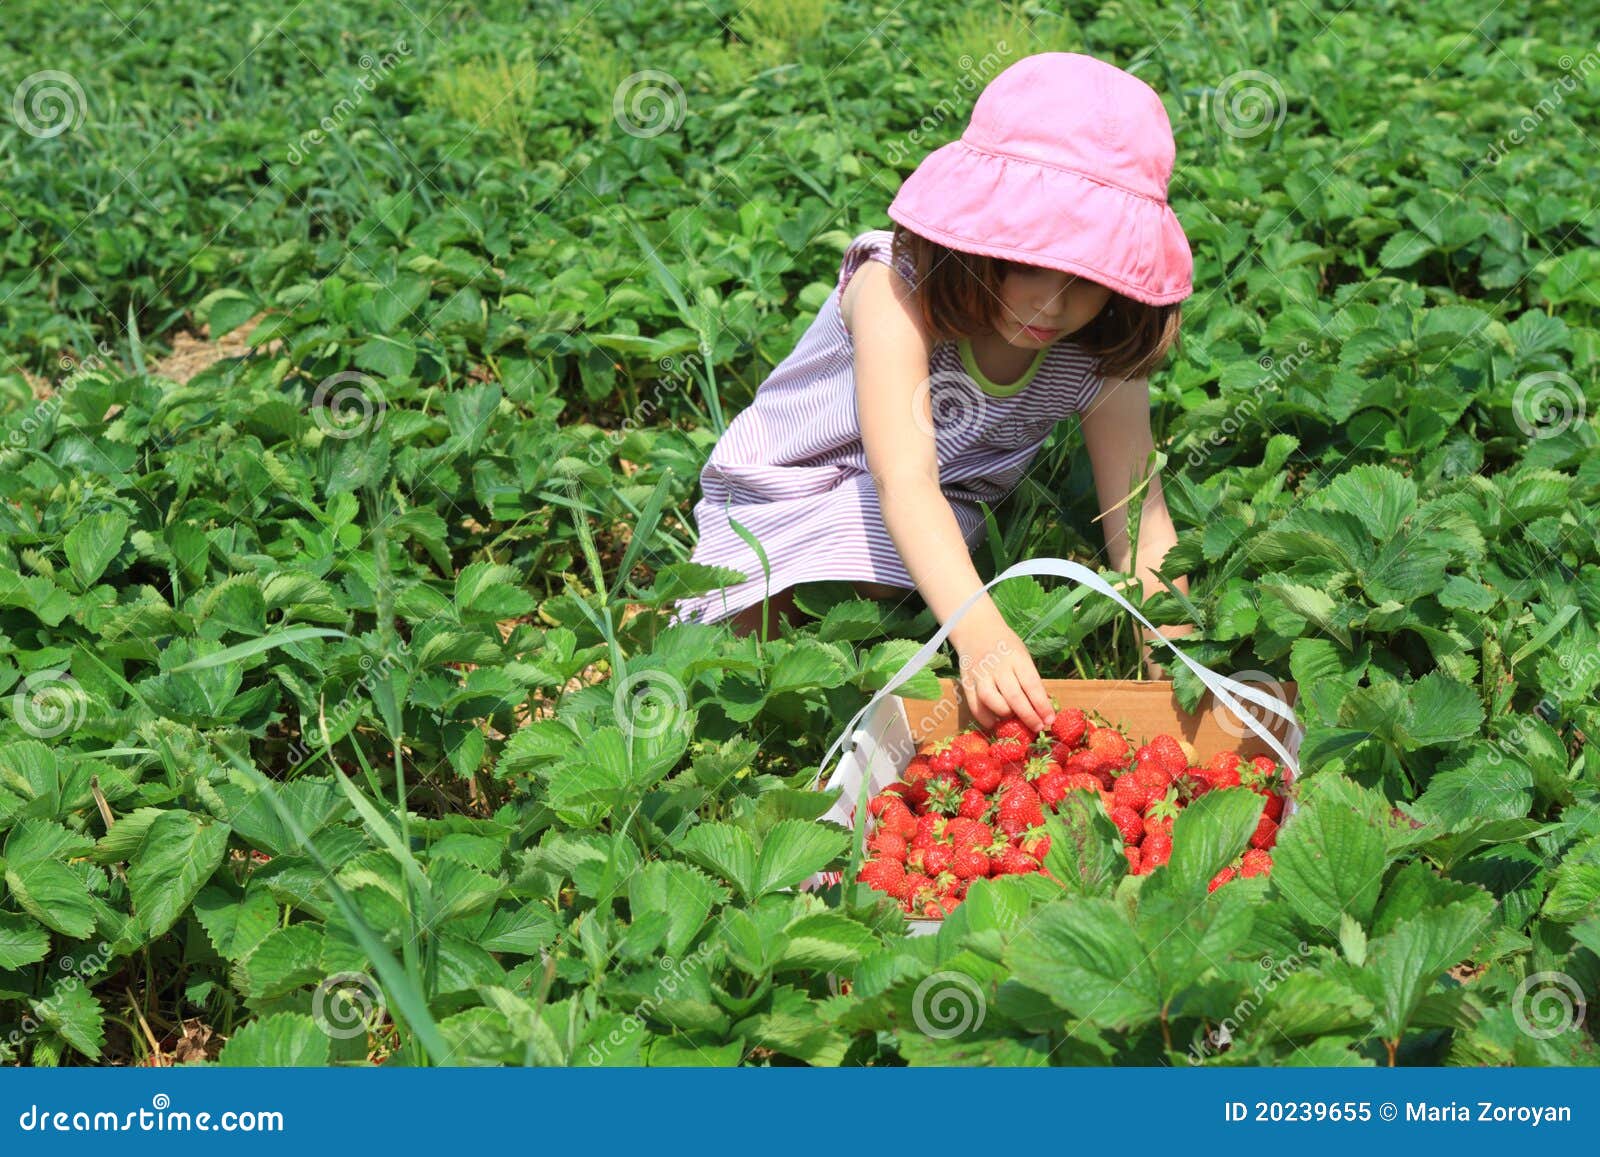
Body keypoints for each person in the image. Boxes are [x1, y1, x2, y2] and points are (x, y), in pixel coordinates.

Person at [671, 52, 1194, 732]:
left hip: (938, 512)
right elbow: (903, 481)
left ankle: (867, 636)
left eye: (1086, 276)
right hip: (795, 495)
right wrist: (982, 634)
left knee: (908, 558)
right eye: (1019, 262)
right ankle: (734, 671)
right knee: (805, 595)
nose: (1048, 301)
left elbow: (1140, 520)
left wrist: (1180, 676)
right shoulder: (895, 290)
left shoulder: (1100, 347)